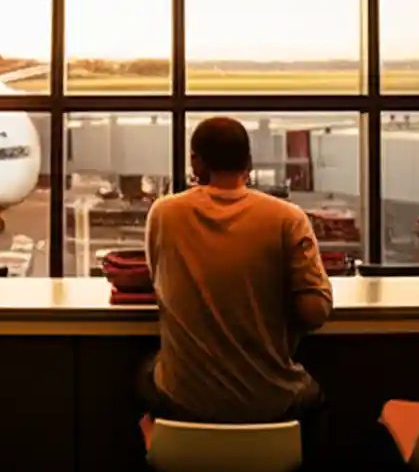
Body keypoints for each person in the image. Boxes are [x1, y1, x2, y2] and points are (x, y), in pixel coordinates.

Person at [138, 116, 333, 426]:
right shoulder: (287, 218)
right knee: (316, 396)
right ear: (249, 163)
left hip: (186, 405)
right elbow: (315, 313)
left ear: (195, 163)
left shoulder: (164, 213)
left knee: (151, 371)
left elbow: (159, 278)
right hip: (272, 403)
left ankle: (174, 458)